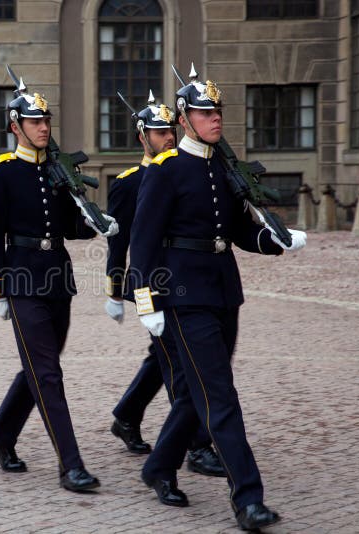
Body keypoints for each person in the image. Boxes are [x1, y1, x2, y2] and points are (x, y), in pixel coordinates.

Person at [128, 66, 306, 531]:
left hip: (224, 291)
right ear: (185, 118)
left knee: (199, 393)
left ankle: (158, 467)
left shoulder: (223, 168)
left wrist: (275, 241)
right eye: (205, 112)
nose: (215, 118)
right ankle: (248, 499)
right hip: (183, 296)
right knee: (221, 396)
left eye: (218, 111)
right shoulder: (166, 169)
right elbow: (143, 242)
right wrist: (147, 302)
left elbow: (239, 231)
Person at [0, 76, 118, 492]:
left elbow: (68, 227)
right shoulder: (2, 173)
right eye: (34, 121)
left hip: (57, 276)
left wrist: (96, 224)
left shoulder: (59, 172)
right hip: (21, 278)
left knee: (38, 368)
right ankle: (70, 465)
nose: (43, 127)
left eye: (46, 120)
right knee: (48, 372)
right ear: (15, 126)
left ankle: (0, 438)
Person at [105, 91, 225, 478]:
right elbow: (122, 242)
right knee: (178, 367)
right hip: (154, 288)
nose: (167, 137)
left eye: (170, 130)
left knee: (164, 359)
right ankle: (196, 446)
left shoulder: (184, 169)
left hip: (182, 283)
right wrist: (119, 292)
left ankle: (126, 415)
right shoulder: (129, 182)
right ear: (143, 136)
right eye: (158, 133)